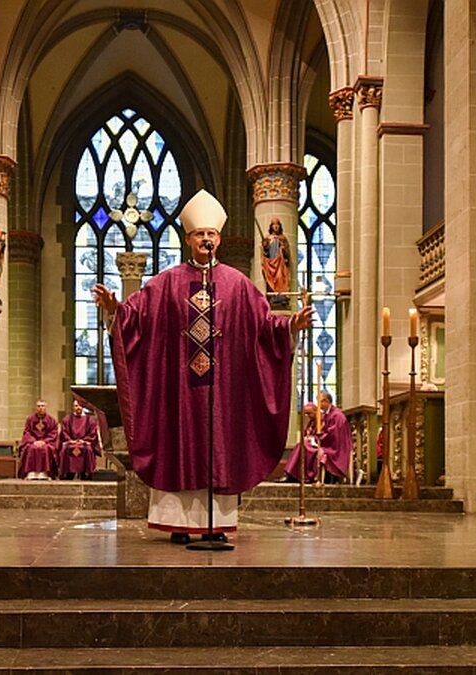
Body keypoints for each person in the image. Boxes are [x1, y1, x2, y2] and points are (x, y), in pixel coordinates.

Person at [94, 189, 314, 544]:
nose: (206, 239)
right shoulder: (166, 283)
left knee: (219, 450)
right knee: (178, 450)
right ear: (188, 238)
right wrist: (115, 309)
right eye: (200, 234)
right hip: (179, 394)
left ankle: (214, 524)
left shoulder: (238, 285)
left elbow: (263, 326)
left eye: (211, 234)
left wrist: (289, 327)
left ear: (219, 239)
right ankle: (179, 523)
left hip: (223, 395)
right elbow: (136, 319)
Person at [283, 391, 352, 484]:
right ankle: (294, 475)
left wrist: (315, 439)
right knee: (302, 445)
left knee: (305, 447)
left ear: (326, 401)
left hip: (335, 449)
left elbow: (332, 434)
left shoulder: (336, 415)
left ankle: (303, 476)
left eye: (319, 402)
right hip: (327, 444)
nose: (318, 405)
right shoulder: (329, 414)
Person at [59, 399, 100, 480]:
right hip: (71, 442)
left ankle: (86, 473)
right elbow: (64, 432)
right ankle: (67, 474)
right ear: (73, 407)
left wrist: (83, 440)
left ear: (83, 407)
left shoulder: (90, 420)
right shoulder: (67, 419)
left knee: (87, 449)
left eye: (80, 406)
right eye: (76, 406)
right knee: (66, 449)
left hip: (84, 442)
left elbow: (93, 433)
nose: (78, 407)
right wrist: (70, 440)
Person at [19, 400, 59, 480]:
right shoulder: (30, 419)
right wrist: (34, 441)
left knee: (46, 449)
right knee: (31, 448)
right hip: (33, 442)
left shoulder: (52, 420)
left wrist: (44, 441)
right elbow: (27, 432)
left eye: (42, 406)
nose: (41, 408)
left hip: (46, 442)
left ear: (46, 407)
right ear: (36, 408)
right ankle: (31, 473)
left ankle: (45, 473)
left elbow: (53, 433)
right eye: (39, 406)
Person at [260, 216, 290, 296]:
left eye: (277, 224)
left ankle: (281, 296)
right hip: (270, 263)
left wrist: (283, 249)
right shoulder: (268, 238)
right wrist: (265, 247)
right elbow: (265, 253)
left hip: (280, 263)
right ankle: (273, 295)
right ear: (271, 227)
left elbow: (287, 255)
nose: (276, 226)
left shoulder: (283, 238)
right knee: (270, 280)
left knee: (280, 277)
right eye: (274, 224)